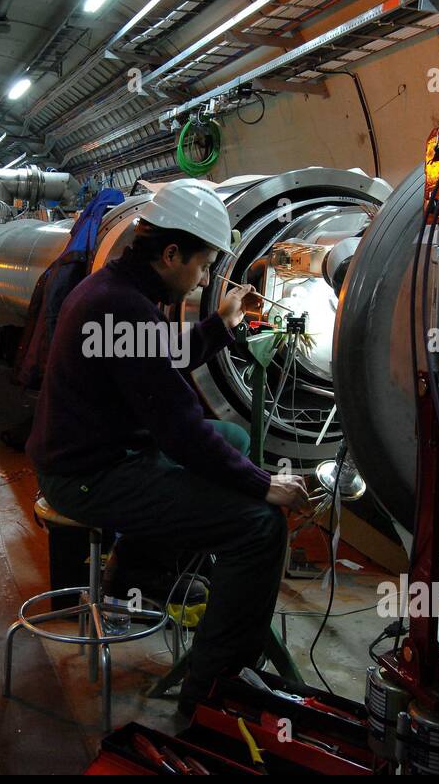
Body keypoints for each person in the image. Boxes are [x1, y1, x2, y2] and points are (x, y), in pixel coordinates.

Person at [26, 179, 309, 717]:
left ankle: (139, 573)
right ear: (171, 252)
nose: (203, 278)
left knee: (232, 437)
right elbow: (179, 427)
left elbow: (160, 359)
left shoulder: (116, 292)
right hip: (90, 475)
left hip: (88, 457)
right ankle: (214, 691)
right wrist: (262, 485)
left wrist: (221, 324)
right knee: (258, 526)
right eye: (202, 267)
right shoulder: (123, 307)